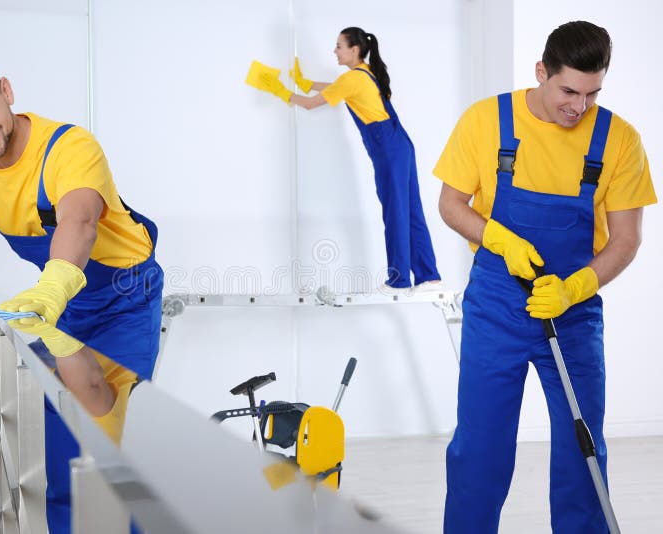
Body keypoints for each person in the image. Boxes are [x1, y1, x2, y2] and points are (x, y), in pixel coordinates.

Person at [0, 44, 163, 533]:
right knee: (56, 438)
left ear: (6, 91)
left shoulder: (68, 147)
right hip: (64, 300)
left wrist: (54, 283)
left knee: (108, 436)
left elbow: (78, 222)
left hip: (125, 297)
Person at [434, 21, 656, 533]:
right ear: (542, 72)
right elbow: (450, 204)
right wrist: (500, 239)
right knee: (480, 447)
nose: (579, 106)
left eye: (593, 92)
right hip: (496, 305)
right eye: (569, 91)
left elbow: (626, 239)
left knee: (583, 450)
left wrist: (576, 288)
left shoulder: (619, 139)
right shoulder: (487, 120)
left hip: (573, 313)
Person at [249, 27, 442, 294]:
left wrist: (281, 91)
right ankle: (429, 278)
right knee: (411, 212)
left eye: (339, 46)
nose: (334, 51)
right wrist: (306, 82)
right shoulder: (366, 73)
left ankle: (398, 281)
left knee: (395, 213)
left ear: (354, 50)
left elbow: (310, 104)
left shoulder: (352, 78)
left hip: (388, 150)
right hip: (401, 146)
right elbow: (337, 89)